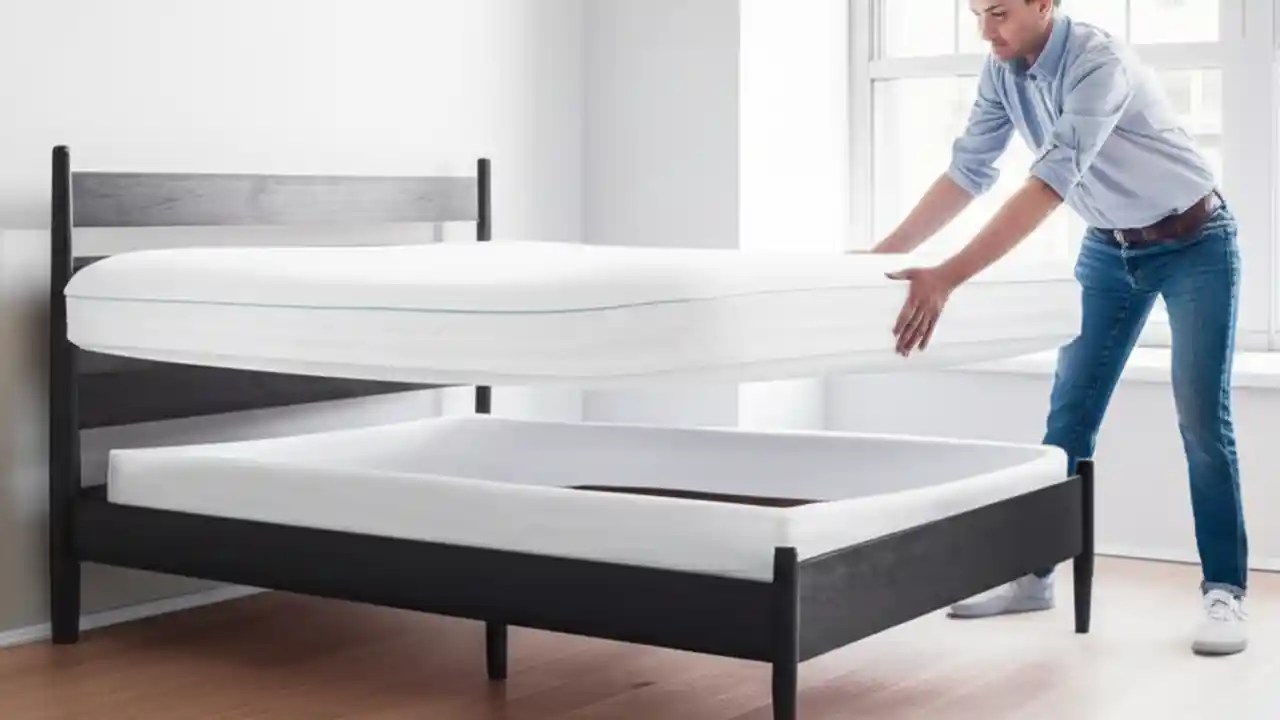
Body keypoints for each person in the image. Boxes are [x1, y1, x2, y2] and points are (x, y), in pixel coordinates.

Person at [871, 0, 1249, 656]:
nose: (985, 31)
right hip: (1109, 246)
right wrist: (882, 257)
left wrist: (949, 276)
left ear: (1045, 3)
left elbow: (1048, 187)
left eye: (999, 13)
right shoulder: (1003, 69)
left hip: (1195, 242)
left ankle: (1225, 592)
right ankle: (1034, 574)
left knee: (1200, 420)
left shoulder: (1099, 63)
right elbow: (968, 172)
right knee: (1068, 417)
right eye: (976, 13)